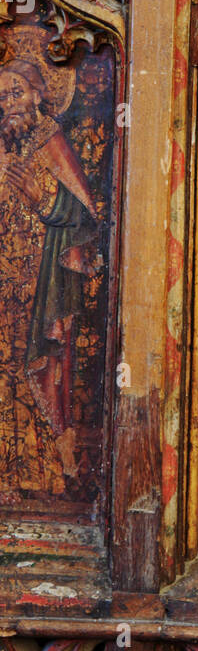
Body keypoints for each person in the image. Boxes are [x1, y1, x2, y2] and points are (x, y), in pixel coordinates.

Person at [0, 42, 100, 497]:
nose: (9, 103)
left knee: (40, 363)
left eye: (17, 92)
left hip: (41, 279)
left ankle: (45, 471)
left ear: (39, 95)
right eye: (1, 95)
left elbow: (83, 215)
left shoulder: (51, 140)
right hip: (5, 278)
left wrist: (43, 203)